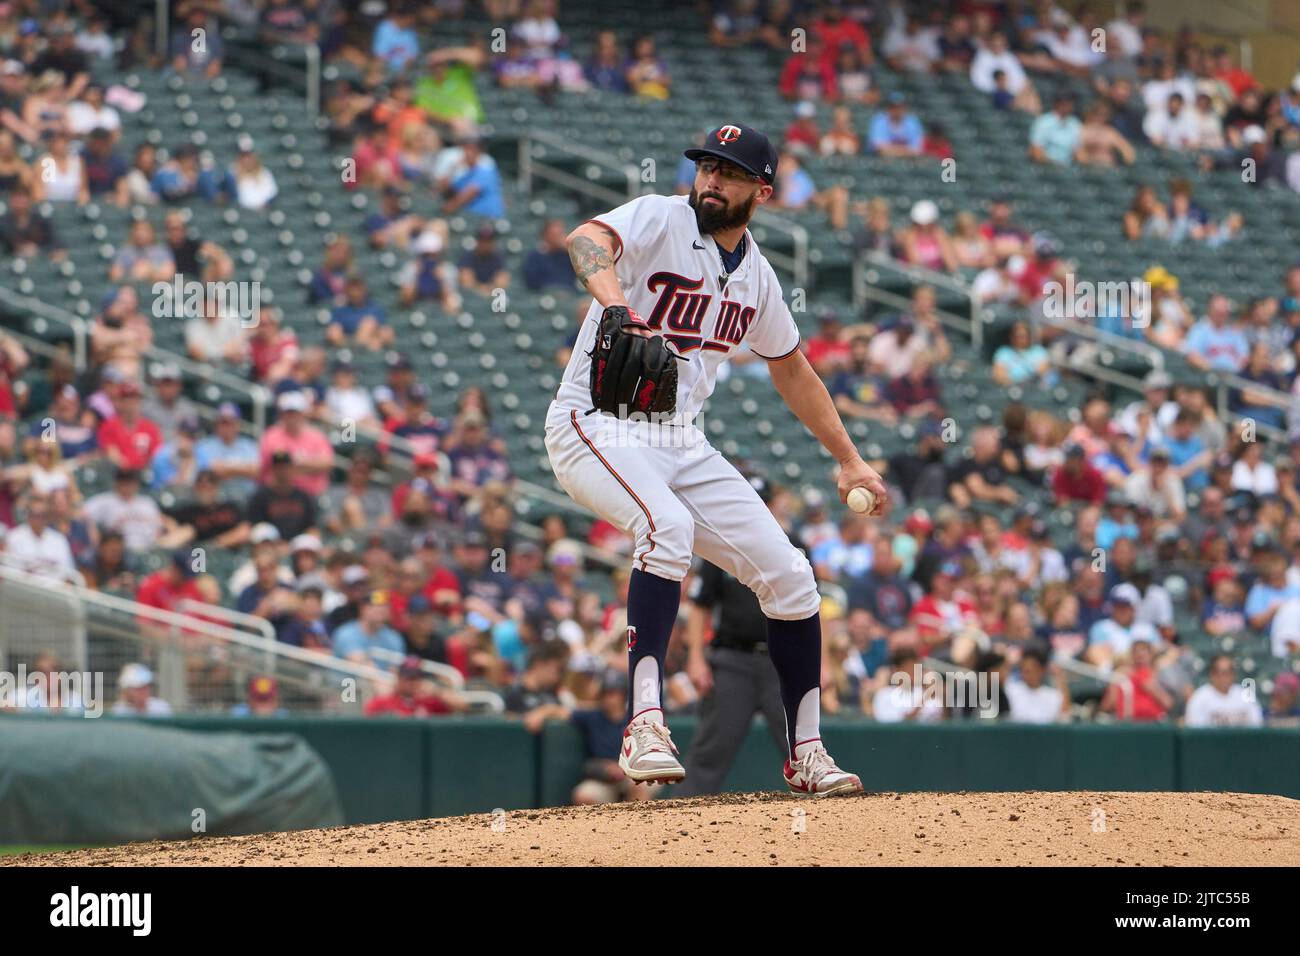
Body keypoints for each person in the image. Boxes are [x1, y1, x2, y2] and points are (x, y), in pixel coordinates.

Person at [546, 123, 886, 795]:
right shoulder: (661, 218)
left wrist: (849, 460)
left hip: (681, 440)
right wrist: (619, 307)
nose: (710, 179)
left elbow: (793, 372)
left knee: (792, 578)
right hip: (595, 423)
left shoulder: (757, 278)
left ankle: (809, 752)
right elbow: (584, 240)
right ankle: (644, 723)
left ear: (761, 190)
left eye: (727, 172)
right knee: (665, 528)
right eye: (705, 166)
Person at [676, 476, 790, 796]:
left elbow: (813, 610)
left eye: (762, 500)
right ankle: (682, 818)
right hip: (732, 661)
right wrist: (696, 658)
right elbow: (700, 606)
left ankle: (831, 820)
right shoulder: (719, 548)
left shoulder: (791, 545)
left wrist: (817, 662)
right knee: (711, 749)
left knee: (803, 746)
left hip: (781, 663)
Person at [1184, 654, 1263, 727]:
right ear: (1212, 674)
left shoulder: (1246, 695)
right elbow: (1195, 731)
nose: (1224, 677)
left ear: (1234, 674)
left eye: (1228, 672)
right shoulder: (1199, 697)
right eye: (1220, 673)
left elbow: (1257, 725)